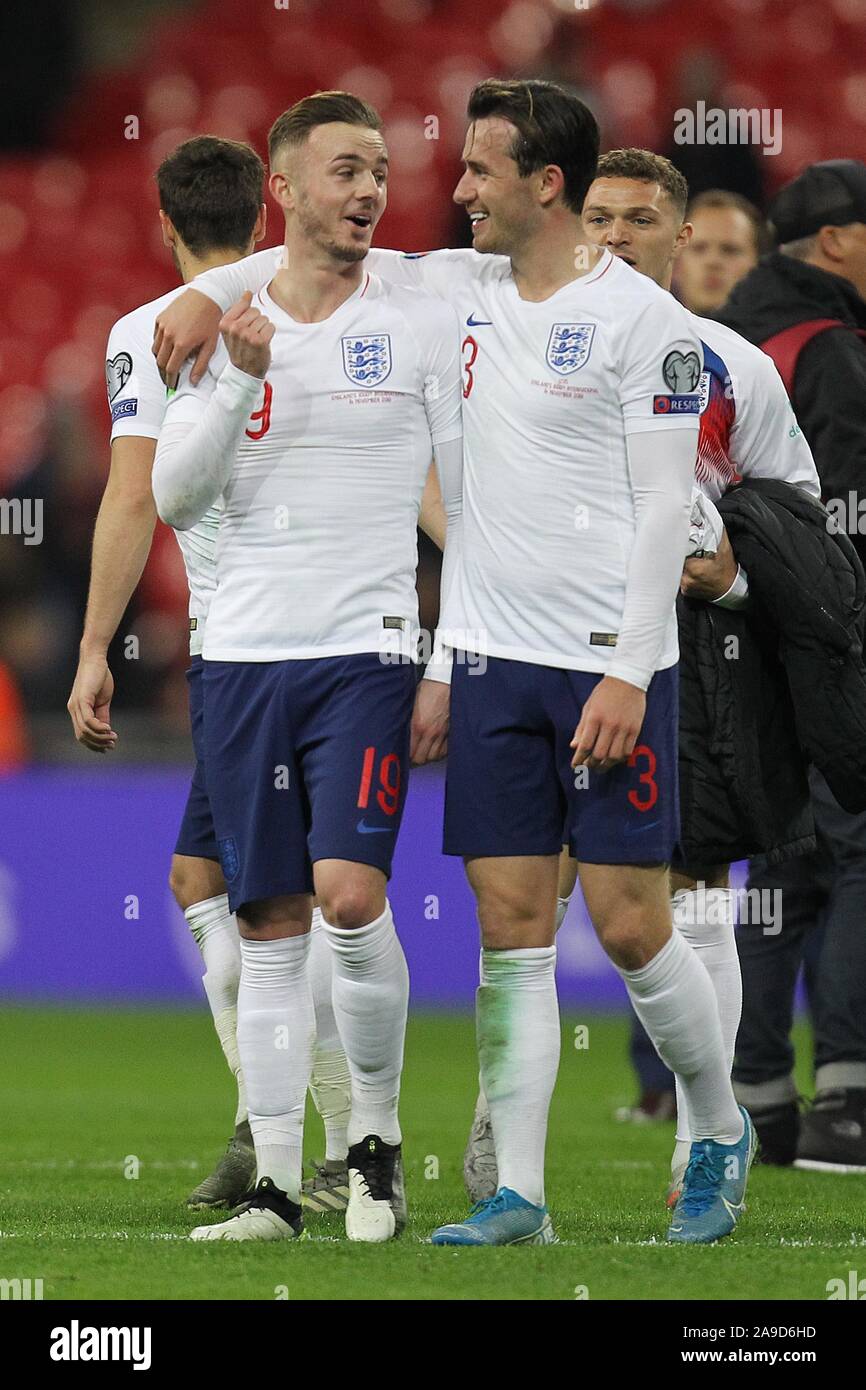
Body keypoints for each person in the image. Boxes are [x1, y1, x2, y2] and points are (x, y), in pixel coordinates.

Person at [154, 81, 757, 1247]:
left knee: (634, 926)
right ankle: (514, 1196)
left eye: (478, 170)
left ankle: (717, 1123)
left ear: (544, 185)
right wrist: (198, 289)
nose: (455, 187)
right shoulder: (456, 288)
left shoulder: (648, 329)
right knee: (510, 930)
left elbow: (655, 514)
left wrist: (633, 667)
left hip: (604, 661)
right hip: (490, 661)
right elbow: (300, 261)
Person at [151, 91, 463, 1243]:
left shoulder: (421, 307)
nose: (368, 189)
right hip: (239, 659)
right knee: (269, 920)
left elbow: (463, 496)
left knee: (348, 895)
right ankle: (280, 1189)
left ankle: (373, 1146)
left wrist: (449, 655)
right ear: (283, 188)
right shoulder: (216, 340)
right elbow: (175, 494)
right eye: (343, 170)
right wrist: (234, 373)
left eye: (378, 169)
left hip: (364, 654)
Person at [66, 135, 354, 1213]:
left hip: (255, 649)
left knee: (283, 904)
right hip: (317, 639)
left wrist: (96, 646)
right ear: (270, 208)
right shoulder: (332, 306)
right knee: (218, 886)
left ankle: (327, 1146)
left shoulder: (150, 331)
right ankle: (272, 1124)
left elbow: (133, 495)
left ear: (163, 223)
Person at [718, 160, 866, 1172]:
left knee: (778, 860)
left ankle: (758, 1098)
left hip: (735, 628)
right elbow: (845, 515)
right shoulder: (831, 352)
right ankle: (846, 1096)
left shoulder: (727, 336)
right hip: (828, 635)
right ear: (836, 242)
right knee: (859, 849)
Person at [673, 189, 767, 317]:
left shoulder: (784, 334)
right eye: (699, 248)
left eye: (729, 250)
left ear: (758, 263)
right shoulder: (647, 332)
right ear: (676, 263)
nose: (713, 261)